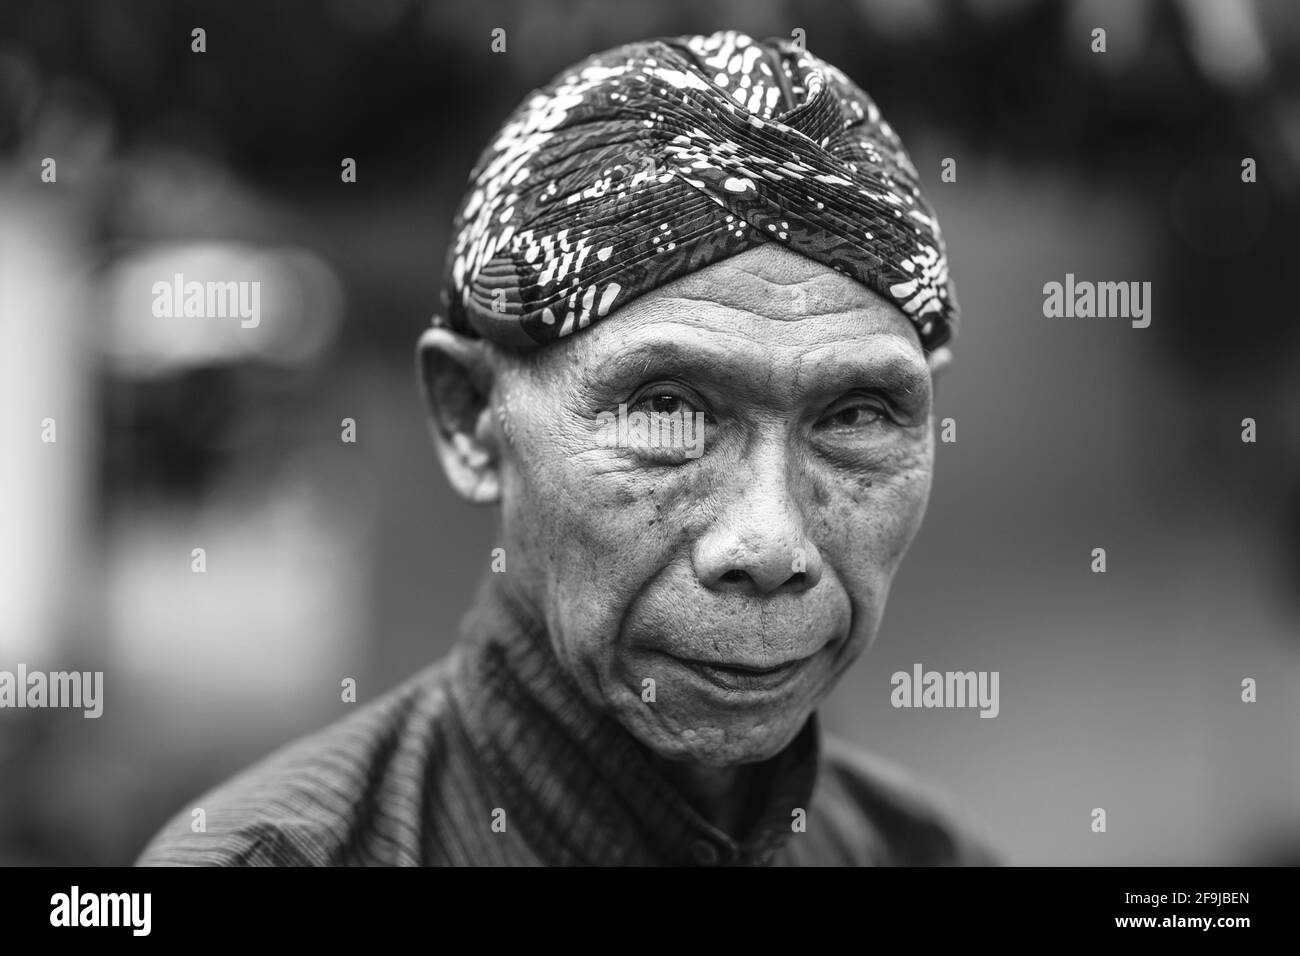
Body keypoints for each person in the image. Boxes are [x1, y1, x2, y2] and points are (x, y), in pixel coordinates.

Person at [138, 29, 995, 866]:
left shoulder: (921, 850)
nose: (772, 545)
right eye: (667, 411)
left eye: (854, 417)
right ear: (471, 415)